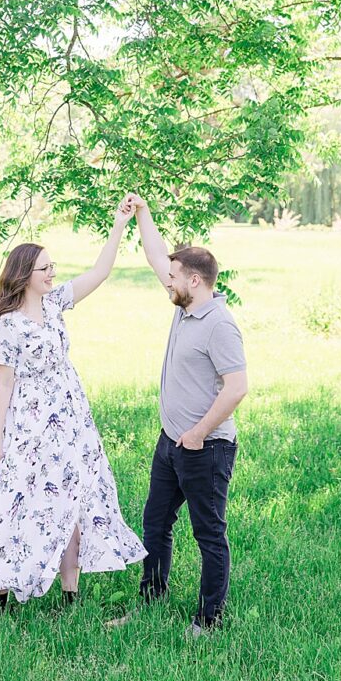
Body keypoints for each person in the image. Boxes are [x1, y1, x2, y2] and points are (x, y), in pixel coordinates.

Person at [0, 199, 148, 609]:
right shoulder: (10, 325)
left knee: (75, 501)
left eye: (52, 267)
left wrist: (120, 224)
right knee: (21, 503)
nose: (53, 273)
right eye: (45, 268)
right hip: (32, 426)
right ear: (25, 276)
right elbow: (3, 388)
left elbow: (100, 272)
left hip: (72, 420)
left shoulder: (55, 303)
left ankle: (70, 595)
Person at [107, 193, 247, 638]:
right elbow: (155, 256)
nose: (166, 283)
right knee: (155, 522)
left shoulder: (219, 323)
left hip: (206, 447)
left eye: (173, 278)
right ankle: (150, 601)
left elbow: (237, 387)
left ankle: (209, 620)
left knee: (208, 534)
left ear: (196, 280)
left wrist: (199, 433)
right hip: (171, 442)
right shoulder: (185, 307)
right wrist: (142, 214)